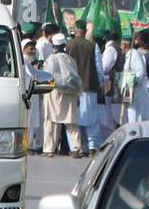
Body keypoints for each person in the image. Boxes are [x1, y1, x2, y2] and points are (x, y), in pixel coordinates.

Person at [42, 33, 81, 158]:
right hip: (70, 94)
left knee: (51, 121)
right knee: (71, 122)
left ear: (53, 46)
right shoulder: (70, 59)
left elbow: (47, 77)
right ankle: (76, 148)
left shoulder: (51, 59)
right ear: (64, 45)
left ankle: (49, 149)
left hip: (54, 93)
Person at [67, 19, 101, 157]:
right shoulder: (93, 46)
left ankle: (76, 147)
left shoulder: (69, 45)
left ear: (75, 31)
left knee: (73, 119)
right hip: (89, 85)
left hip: (72, 87)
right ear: (85, 31)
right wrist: (101, 84)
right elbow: (99, 68)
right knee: (91, 118)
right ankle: (92, 147)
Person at [122, 30, 149, 123]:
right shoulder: (129, 55)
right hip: (130, 90)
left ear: (124, 45)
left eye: (121, 44)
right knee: (132, 113)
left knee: (136, 114)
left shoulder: (134, 54)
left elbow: (140, 71)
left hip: (137, 89)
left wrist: (133, 82)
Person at [21, 38, 44, 152]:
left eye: (33, 49)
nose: (33, 51)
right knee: (28, 121)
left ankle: (30, 144)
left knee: (32, 121)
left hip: (33, 95)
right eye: (30, 49)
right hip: (27, 95)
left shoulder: (30, 62)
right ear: (24, 49)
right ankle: (27, 145)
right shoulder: (24, 61)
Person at [100, 34, 122, 139]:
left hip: (108, 82)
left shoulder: (110, 50)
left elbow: (104, 67)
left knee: (107, 112)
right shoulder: (115, 48)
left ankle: (109, 137)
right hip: (111, 82)